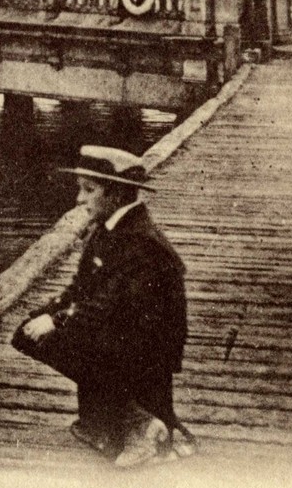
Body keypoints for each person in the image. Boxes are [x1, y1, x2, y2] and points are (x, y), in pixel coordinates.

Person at [13, 146, 194, 468]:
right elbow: (82, 288)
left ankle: (139, 424)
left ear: (119, 193)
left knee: (55, 336)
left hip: (148, 347)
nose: (80, 199)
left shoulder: (141, 242)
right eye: (81, 189)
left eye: (89, 190)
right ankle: (115, 421)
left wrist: (58, 321)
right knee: (27, 332)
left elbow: (113, 306)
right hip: (121, 331)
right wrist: (48, 311)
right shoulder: (108, 229)